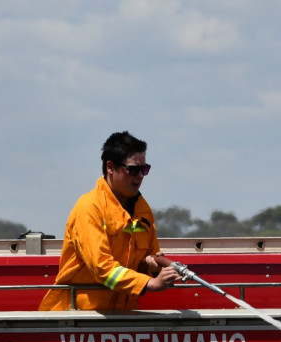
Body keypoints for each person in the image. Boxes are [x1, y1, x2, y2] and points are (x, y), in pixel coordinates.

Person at [39, 131, 180, 311]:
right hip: (80, 317)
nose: (140, 176)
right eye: (133, 169)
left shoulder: (143, 211)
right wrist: (150, 283)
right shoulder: (89, 207)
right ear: (110, 167)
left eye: (144, 169)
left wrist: (155, 269)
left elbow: (146, 261)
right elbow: (102, 268)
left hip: (122, 316)